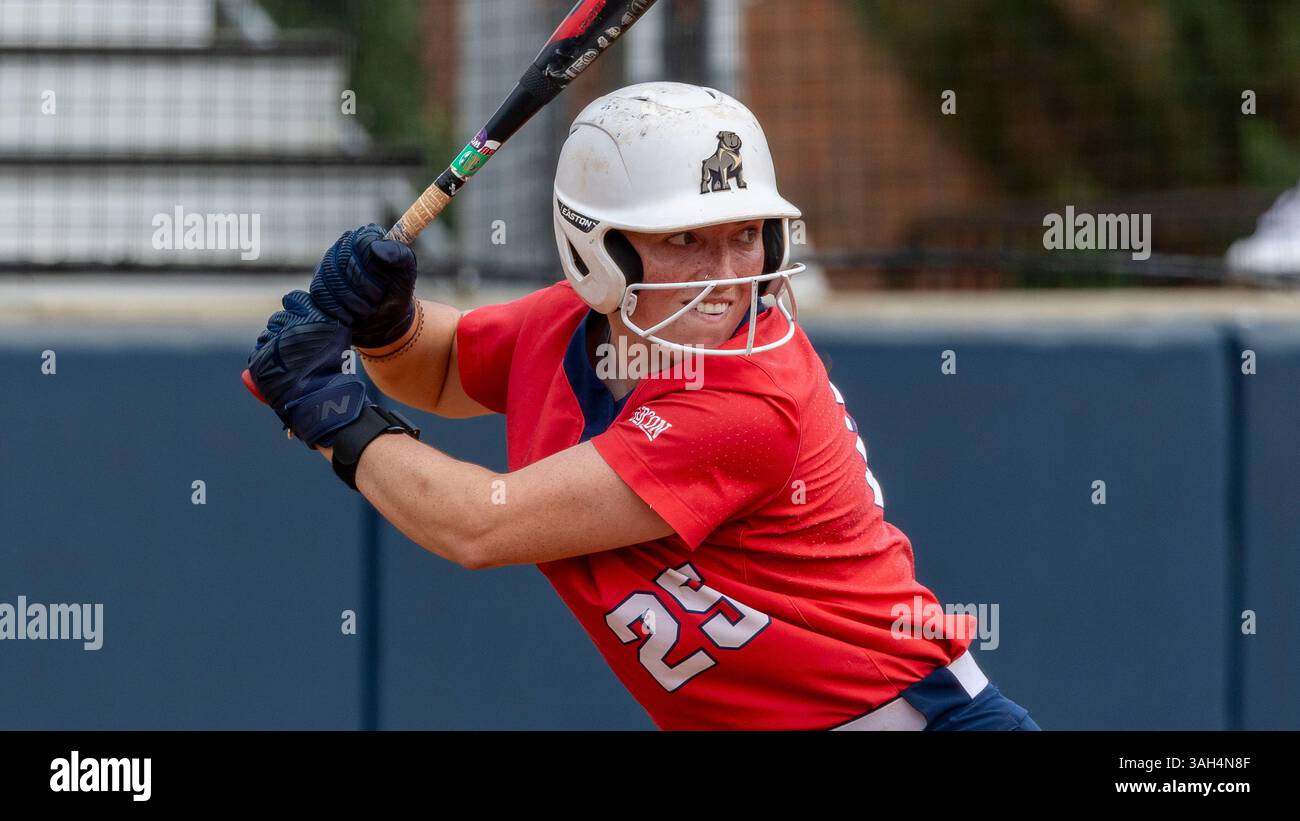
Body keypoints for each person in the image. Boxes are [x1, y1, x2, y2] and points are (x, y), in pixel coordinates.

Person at [247, 82, 1039, 731]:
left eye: (744, 234)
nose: (726, 273)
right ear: (599, 245)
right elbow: (446, 366)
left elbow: (478, 523)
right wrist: (388, 327)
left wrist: (328, 410)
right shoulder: (570, 323)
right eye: (684, 240)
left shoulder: (747, 399)